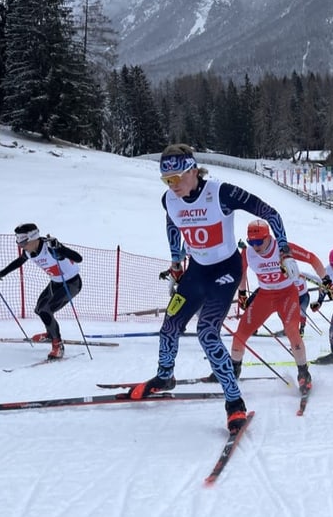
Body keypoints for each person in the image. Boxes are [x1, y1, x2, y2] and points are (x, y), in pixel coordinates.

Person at [124, 145, 292, 434]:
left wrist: (284, 251)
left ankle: (234, 402)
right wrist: (176, 259)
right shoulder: (169, 199)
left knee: (207, 332)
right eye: (166, 180)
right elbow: (172, 224)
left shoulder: (221, 192)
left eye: (176, 177)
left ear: (193, 170)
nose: (172, 185)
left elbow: (270, 213)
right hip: (196, 272)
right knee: (169, 326)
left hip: (225, 271)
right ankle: (165, 377)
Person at [231, 219, 326, 396]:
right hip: (264, 296)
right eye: (252, 242)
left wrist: (326, 279)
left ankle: (304, 373)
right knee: (239, 336)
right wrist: (242, 293)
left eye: (259, 241)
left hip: (287, 295)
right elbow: (242, 273)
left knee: (292, 330)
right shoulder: (247, 253)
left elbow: (311, 258)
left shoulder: (283, 248)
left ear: (269, 238)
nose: (256, 246)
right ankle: (233, 371)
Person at [0, 223, 82, 360]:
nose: (21, 245)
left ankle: (58, 344)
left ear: (34, 237)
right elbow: (17, 263)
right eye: (18, 241)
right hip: (55, 283)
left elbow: (78, 258)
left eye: (23, 241)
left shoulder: (50, 248)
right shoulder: (29, 252)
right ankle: (50, 333)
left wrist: (60, 248)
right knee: (39, 309)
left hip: (71, 283)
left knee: (46, 311)